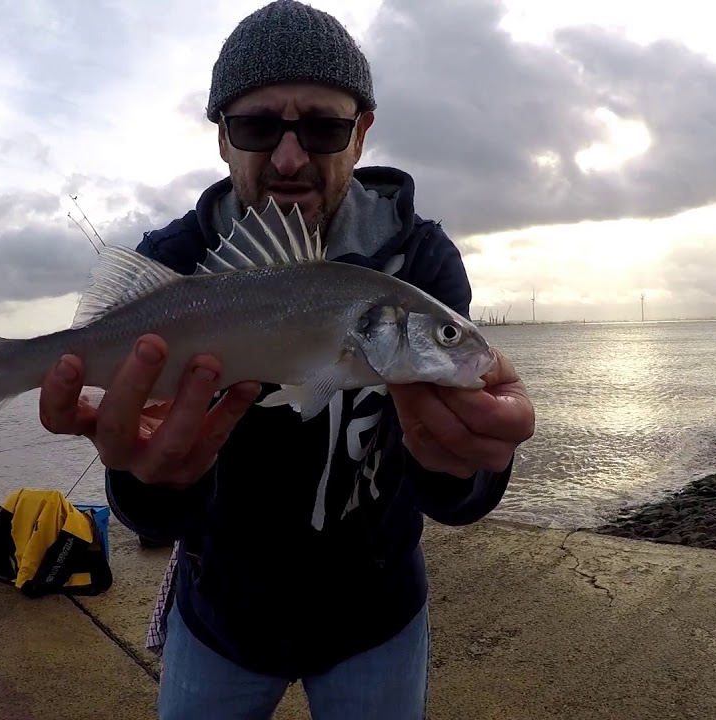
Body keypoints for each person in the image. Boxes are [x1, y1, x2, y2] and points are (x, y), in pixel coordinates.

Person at [38, 1, 536, 717]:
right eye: (257, 125)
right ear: (222, 138)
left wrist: (465, 463)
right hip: (220, 619)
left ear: (361, 134)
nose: (290, 157)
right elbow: (145, 500)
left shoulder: (420, 264)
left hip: (378, 614)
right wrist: (152, 483)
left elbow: (451, 491)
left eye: (325, 126)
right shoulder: (173, 262)